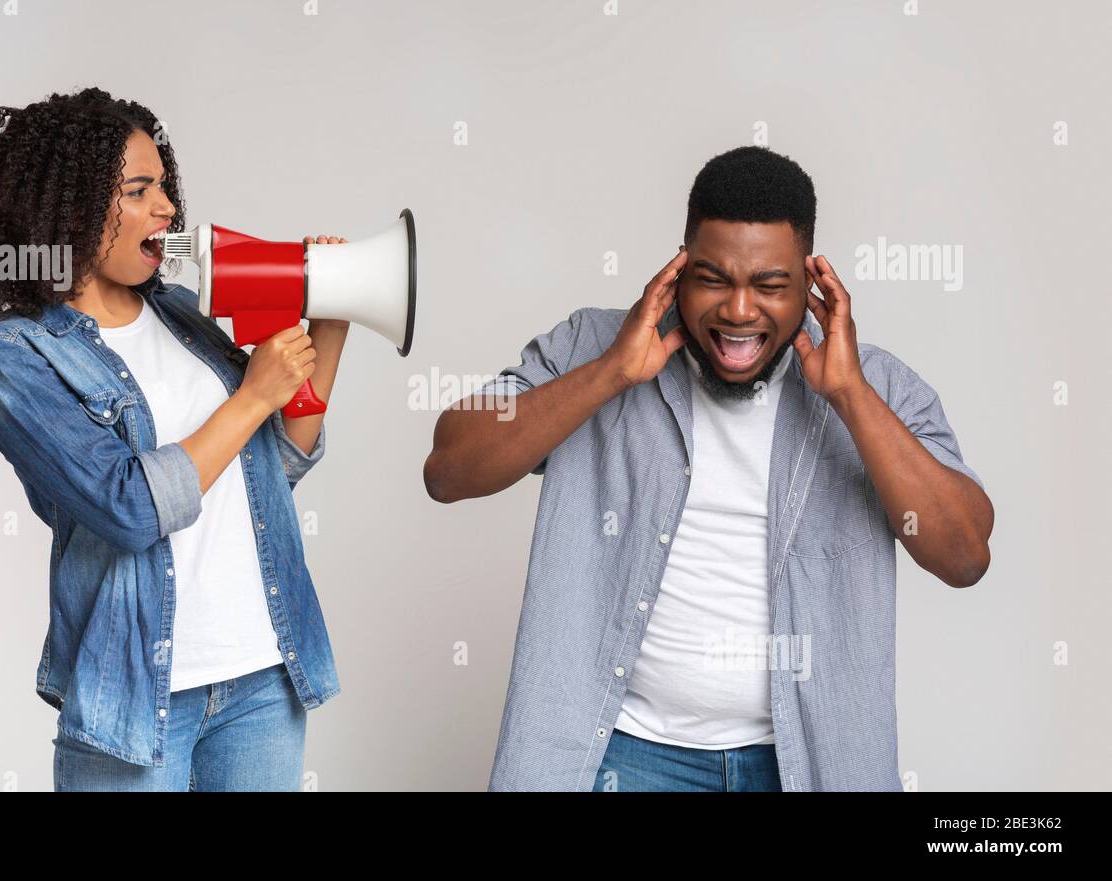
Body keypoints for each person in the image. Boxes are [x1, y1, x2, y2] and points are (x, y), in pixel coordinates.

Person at [423, 145, 994, 792]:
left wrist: (850, 397)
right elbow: (449, 466)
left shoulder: (877, 385)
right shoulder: (593, 345)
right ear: (679, 267)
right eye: (714, 278)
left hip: (805, 764)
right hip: (620, 757)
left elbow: (964, 553)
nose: (740, 312)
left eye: (771, 285)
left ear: (812, 283)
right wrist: (611, 373)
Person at [0, 87, 349, 791]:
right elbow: (127, 505)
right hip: (135, 693)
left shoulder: (183, 316)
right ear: (65, 207)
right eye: (138, 189)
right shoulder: (16, 354)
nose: (167, 208)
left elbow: (272, 462)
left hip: (259, 676)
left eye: (164, 187)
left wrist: (332, 313)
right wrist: (251, 396)